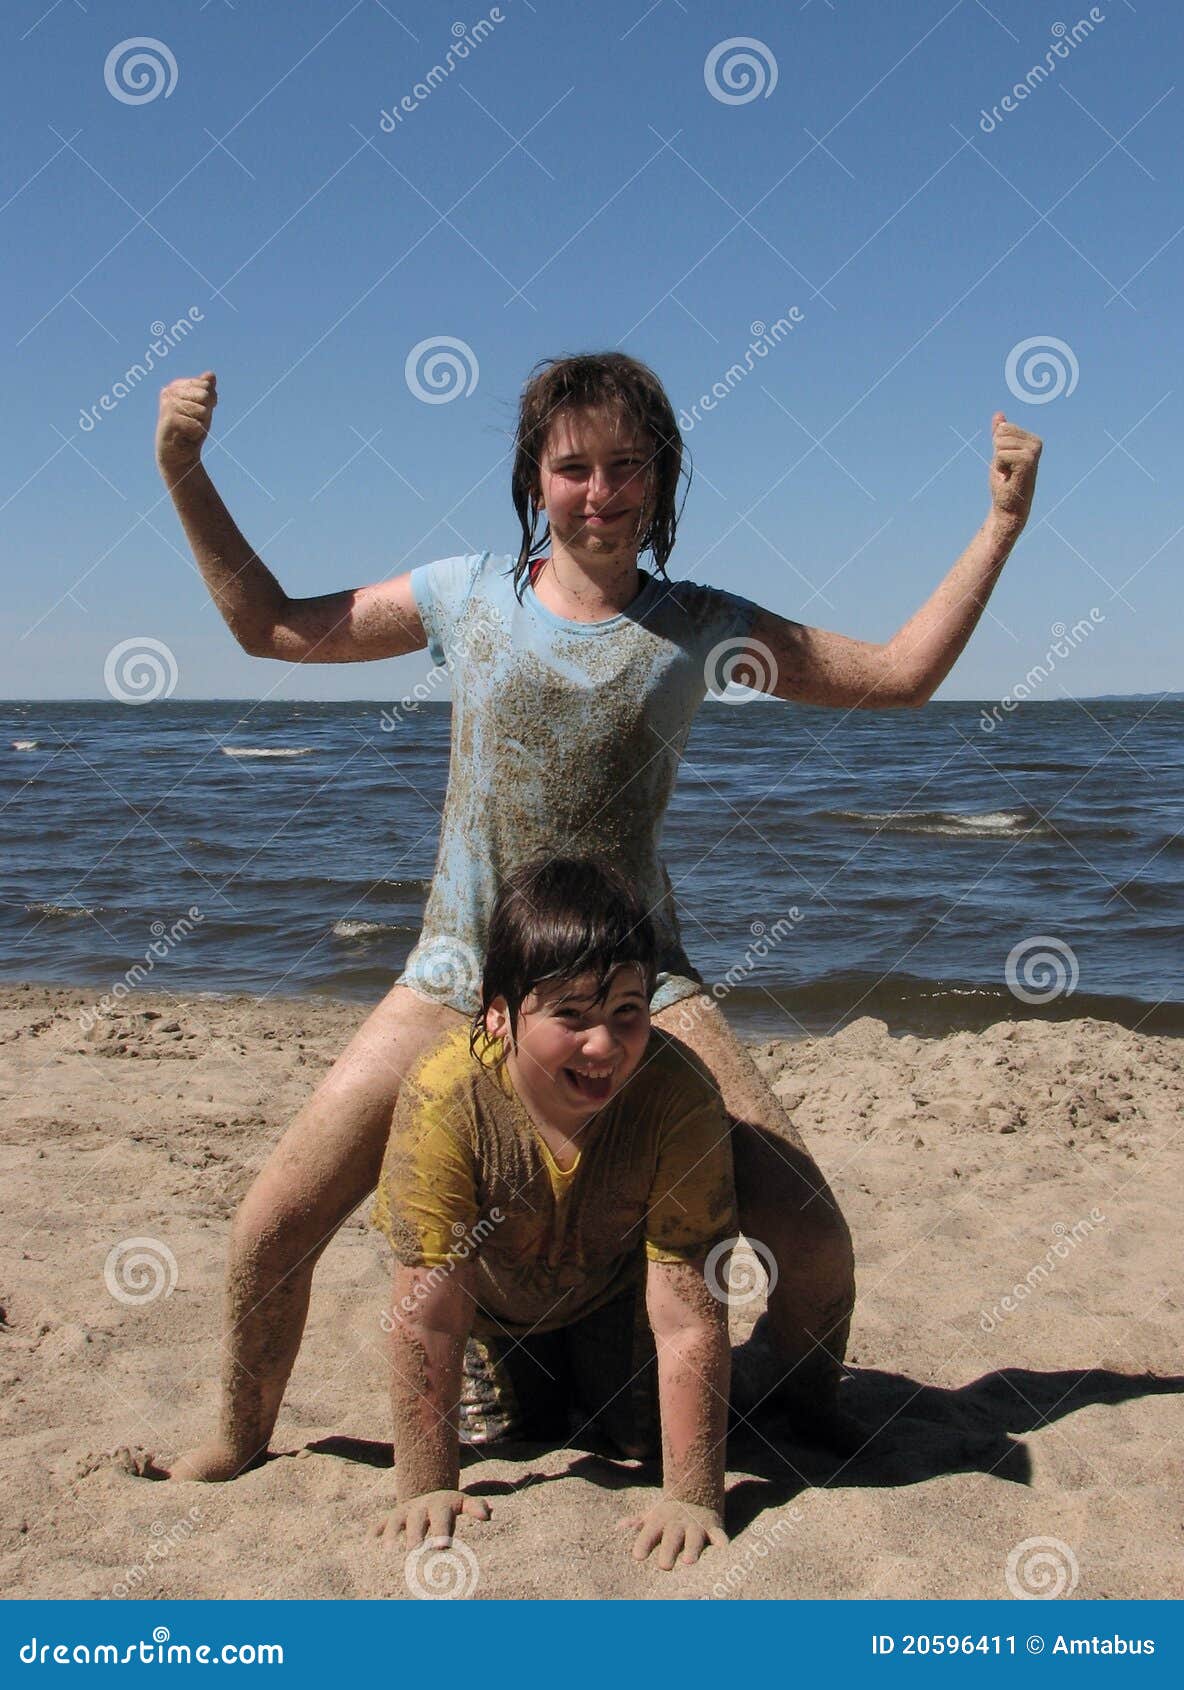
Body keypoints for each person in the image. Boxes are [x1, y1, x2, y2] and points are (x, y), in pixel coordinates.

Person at [154, 350, 1042, 1481]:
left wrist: (999, 525)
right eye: (572, 467)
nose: (600, 491)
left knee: (813, 1238)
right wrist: (183, 468)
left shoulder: (699, 624)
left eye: (627, 467)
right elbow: (271, 626)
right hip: (460, 975)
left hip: (644, 983)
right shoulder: (463, 596)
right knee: (270, 1231)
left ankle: (786, 1398)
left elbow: (898, 675)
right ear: (535, 477)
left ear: (661, 481)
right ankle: (234, 1443)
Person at [374, 854, 737, 1571]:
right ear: (499, 1013)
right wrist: (425, 1487)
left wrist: (693, 1495)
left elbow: (690, 1311)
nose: (602, 1045)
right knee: (506, 1442)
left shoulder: (679, 1096)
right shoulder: (448, 1096)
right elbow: (429, 1311)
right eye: (570, 1015)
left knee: (634, 1443)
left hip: (611, 1299)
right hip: (489, 1315)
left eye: (626, 1012)